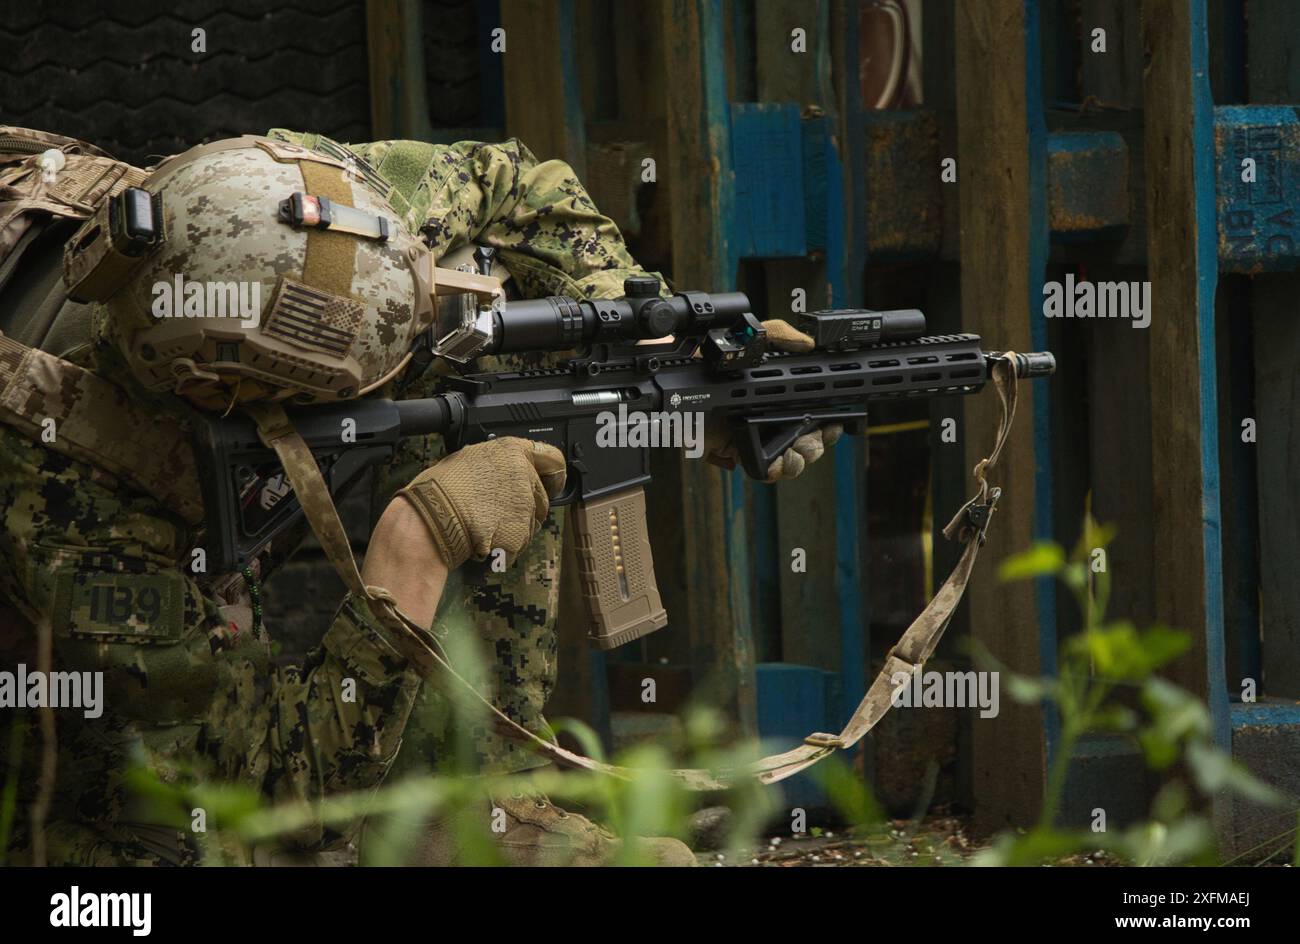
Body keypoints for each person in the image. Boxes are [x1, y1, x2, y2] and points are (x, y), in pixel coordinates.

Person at [0, 127, 838, 866]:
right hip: (66, 659)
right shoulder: (84, 528)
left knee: (503, 301)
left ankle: (475, 797)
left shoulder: (289, 209)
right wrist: (415, 544)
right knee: (158, 841)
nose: (412, 369)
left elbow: (518, 187)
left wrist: (658, 359)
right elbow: (272, 787)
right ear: (231, 401)